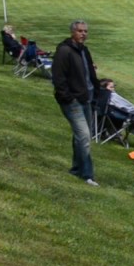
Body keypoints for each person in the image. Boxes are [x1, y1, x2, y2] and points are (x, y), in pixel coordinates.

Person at [51, 20, 99, 186]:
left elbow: (90, 74)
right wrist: (68, 97)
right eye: (79, 31)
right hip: (72, 101)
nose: (83, 34)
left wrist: (96, 91)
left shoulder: (84, 50)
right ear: (73, 32)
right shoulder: (64, 51)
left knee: (81, 136)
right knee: (84, 136)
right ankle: (87, 175)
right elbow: (58, 77)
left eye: (85, 31)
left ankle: (76, 169)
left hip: (86, 98)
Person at [98, 78, 134, 146]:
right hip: (120, 115)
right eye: (111, 87)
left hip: (109, 115)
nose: (113, 89)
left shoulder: (100, 95)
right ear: (105, 88)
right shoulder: (113, 96)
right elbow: (128, 107)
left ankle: (114, 133)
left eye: (114, 86)